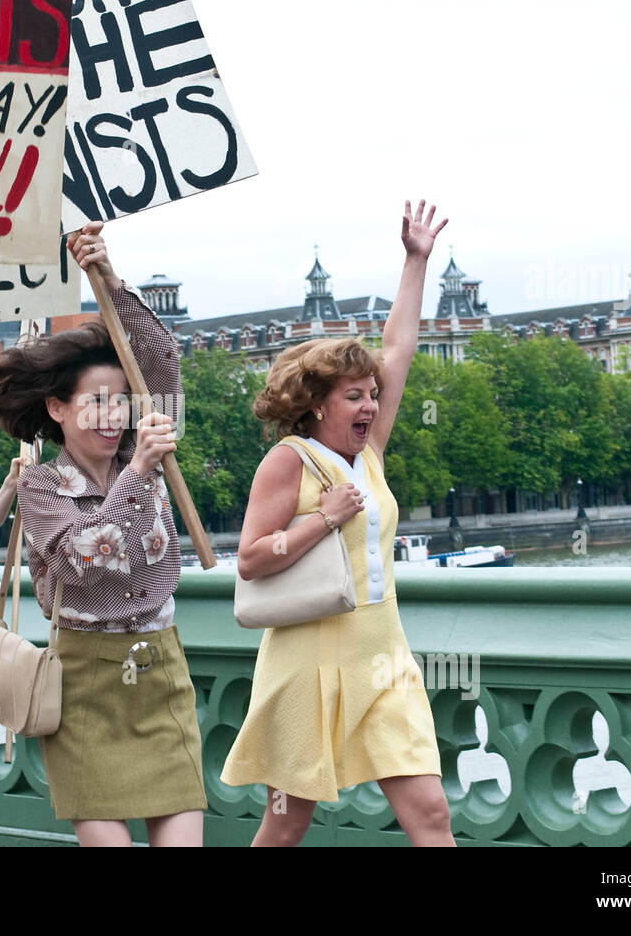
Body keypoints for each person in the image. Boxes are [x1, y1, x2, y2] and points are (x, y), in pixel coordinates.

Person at [221, 200, 455, 847]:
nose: (370, 404)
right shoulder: (287, 461)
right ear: (317, 403)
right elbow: (250, 560)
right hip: (309, 660)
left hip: (384, 656)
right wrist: (321, 521)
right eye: (354, 395)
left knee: (431, 811)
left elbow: (399, 347)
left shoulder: (368, 451)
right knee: (287, 821)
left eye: (371, 394)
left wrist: (415, 259)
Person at [0, 221, 207, 847]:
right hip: (83, 684)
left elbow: (160, 362)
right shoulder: (42, 485)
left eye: (122, 403)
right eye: (97, 403)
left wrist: (105, 274)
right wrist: (137, 474)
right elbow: (89, 559)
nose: (116, 418)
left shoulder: (147, 442)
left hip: (159, 667)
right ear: (57, 408)